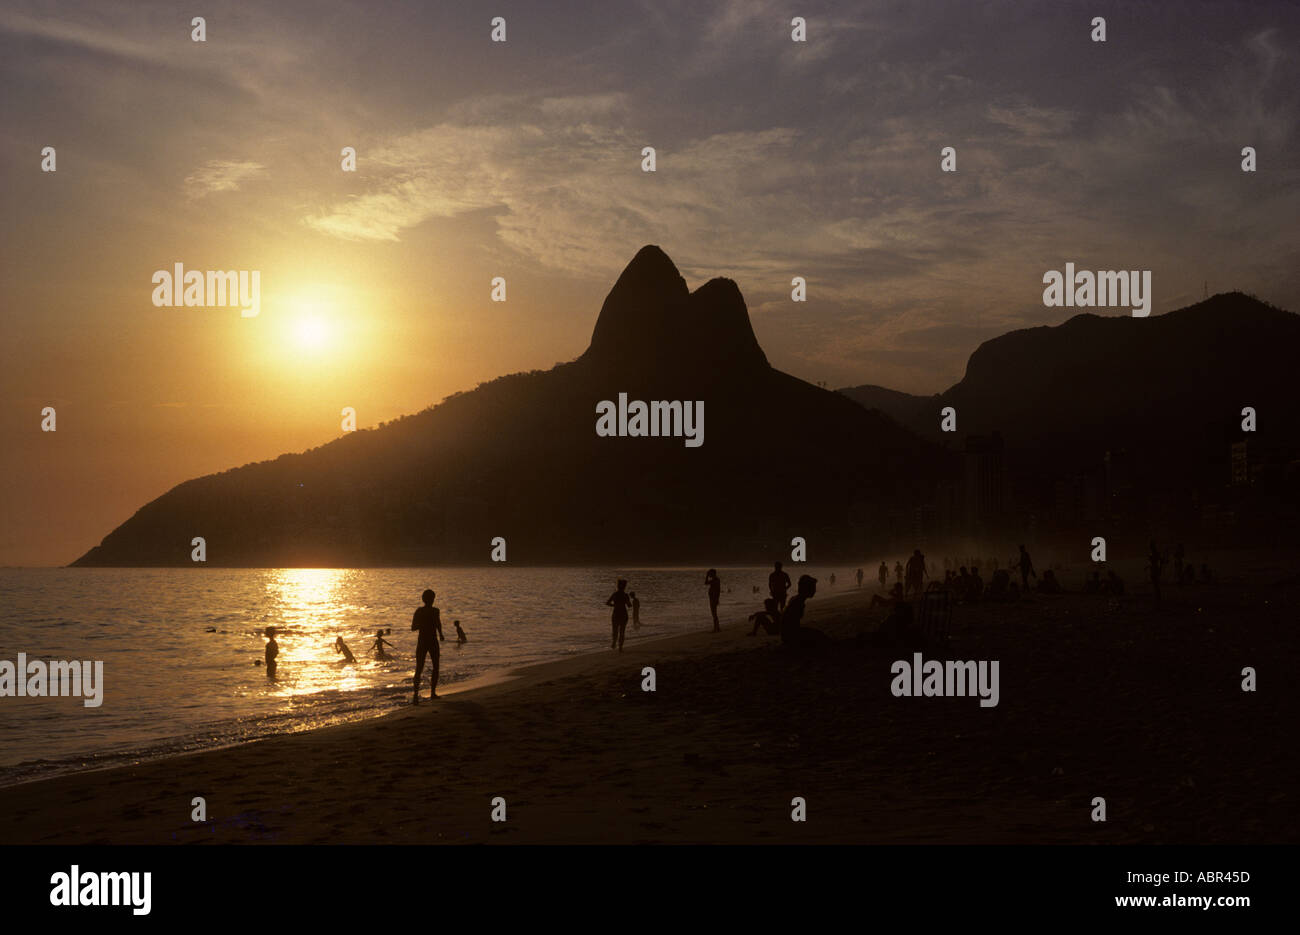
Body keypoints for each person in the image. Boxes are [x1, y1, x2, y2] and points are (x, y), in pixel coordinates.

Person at [411, 589, 445, 703]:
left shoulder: (424, 611)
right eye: (432, 598)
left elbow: (437, 623)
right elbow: (414, 627)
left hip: (425, 641)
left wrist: (440, 634)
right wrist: (439, 633)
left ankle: (418, 696)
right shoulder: (432, 611)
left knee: (421, 667)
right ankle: (427, 694)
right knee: (429, 667)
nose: (432, 600)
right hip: (428, 641)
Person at [780, 575, 828, 648]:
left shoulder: (795, 599)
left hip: (786, 634)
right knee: (819, 637)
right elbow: (792, 626)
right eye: (813, 588)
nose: (815, 590)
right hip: (790, 635)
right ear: (807, 589)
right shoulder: (798, 602)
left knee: (818, 634)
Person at [608, 578, 632, 650]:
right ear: (624, 587)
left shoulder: (614, 594)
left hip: (615, 614)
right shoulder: (625, 595)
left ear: (618, 586)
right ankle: (620, 647)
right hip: (624, 614)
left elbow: (607, 603)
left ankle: (614, 643)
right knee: (622, 631)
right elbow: (629, 605)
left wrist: (614, 605)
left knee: (615, 630)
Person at [1148, 541, 1165, 609]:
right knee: (1155, 583)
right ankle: (1157, 596)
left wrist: (1160, 569)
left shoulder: (1155, 553)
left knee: (1155, 583)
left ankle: (1158, 597)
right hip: (1154, 568)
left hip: (1155, 569)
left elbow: (1160, 561)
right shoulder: (1155, 553)